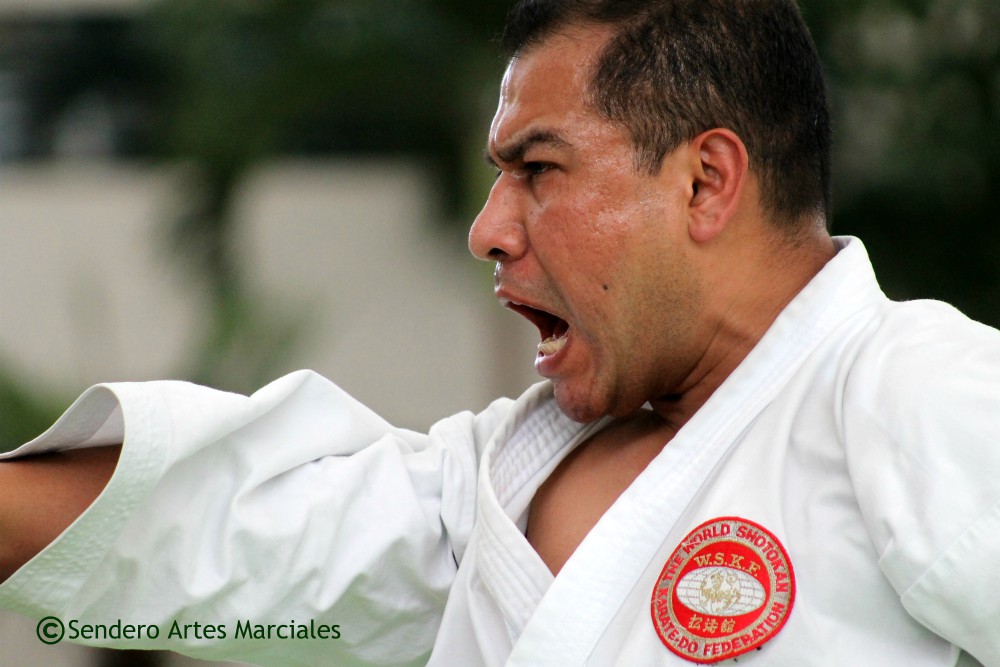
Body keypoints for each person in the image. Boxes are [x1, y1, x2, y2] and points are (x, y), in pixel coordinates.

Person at [2, 0, 999, 665]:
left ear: (704, 182)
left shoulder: (920, 391)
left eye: (538, 169)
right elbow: (239, 523)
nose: (488, 228)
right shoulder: (502, 479)